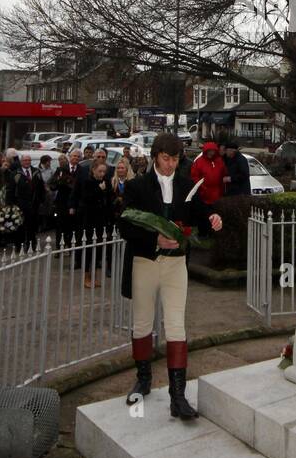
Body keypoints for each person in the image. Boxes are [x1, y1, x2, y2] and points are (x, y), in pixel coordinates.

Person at [118, 132, 223, 418]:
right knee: (142, 323)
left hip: (176, 264)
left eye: (175, 159)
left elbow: (201, 214)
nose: (170, 165)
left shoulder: (187, 185)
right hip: (145, 261)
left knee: (176, 325)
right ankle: (143, 379)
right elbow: (125, 226)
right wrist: (155, 240)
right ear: (155, 157)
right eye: (166, 159)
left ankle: (178, 397)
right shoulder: (137, 186)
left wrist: (213, 218)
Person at [80, 160, 114, 288]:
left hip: (102, 220)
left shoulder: (106, 182)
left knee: (99, 250)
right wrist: (99, 191)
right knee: (89, 249)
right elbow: (86, 199)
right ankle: (87, 276)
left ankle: (95, 276)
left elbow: (109, 198)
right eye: (99, 171)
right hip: (90, 220)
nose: (102, 174)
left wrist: (105, 191)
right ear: (93, 170)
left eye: (104, 171)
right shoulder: (88, 182)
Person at [9, 154, 45, 251]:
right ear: (21, 162)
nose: (27, 162)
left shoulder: (36, 172)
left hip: (33, 204)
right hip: (20, 204)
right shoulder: (16, 174)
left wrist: (41, 201)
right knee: (20, 227)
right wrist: (11, 204)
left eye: (29, 160)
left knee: (32, 227)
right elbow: (11, 190)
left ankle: (31, 245)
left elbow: (41, 188)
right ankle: (19, 246)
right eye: (25, 160)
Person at [190, 141, 229, 206]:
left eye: (213, 151)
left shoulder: (219, 161)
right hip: (203, 194)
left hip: (218, 194)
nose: (211, 153)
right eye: (209, 151)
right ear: (206, 151)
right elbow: (194, 176)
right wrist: (202, 188)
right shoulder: (199, 162)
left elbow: (224, 174)